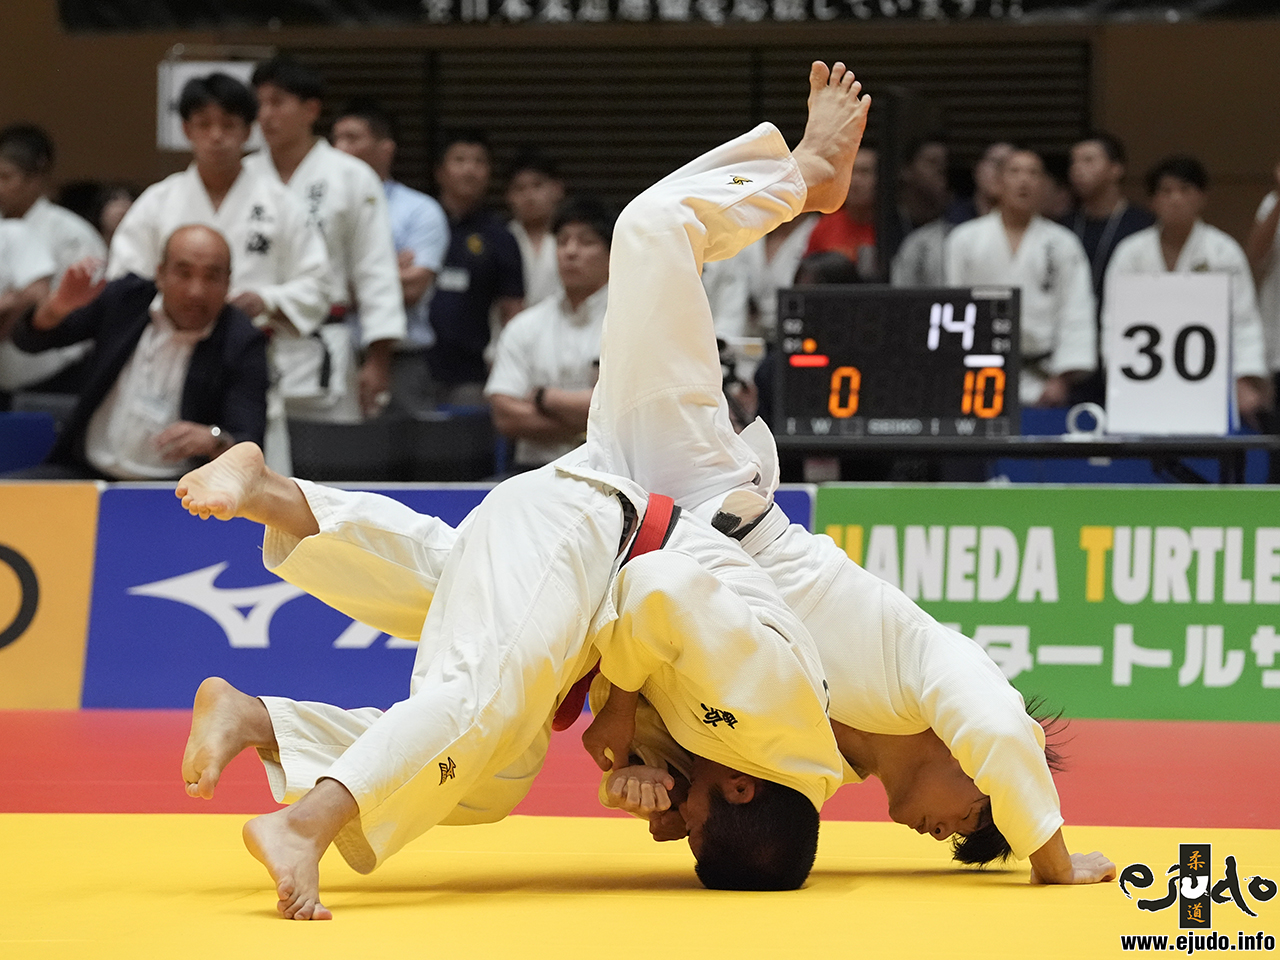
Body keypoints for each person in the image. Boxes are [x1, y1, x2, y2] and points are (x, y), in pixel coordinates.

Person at [106, 72, 329, 474]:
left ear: (248, 131)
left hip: (248, 365)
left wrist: (267, 300)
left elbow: (318, 283)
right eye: (204, 125)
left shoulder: (281, 205)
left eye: (229, 126)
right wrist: (180, 303)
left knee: (253, 489)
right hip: (167, 368)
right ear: (187, 129)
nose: (216, 137)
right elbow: (125, 283)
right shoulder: (160, 202)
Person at [9, 225, 267, 479]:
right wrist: (57, 307)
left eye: (211, 277)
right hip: (84, 472)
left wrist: (215, 439)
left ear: (228, 282)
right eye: (183, 273)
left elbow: (249, 441)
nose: (195, 291)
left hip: (179, 490)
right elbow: (29, 342)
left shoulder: (242, 341)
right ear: (160, 274)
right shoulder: (125, 300)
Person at [246, 57, 406, 423]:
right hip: (250, 344)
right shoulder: (244, 176)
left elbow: (375, 270)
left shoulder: (351, 177)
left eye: (277, 102)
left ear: (311, 109)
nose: (265, 115)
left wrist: (378, 359)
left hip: (325, 342)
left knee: (329, 468)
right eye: (259, 103)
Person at [1104, 155, 1269, 426]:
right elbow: (1113, 322)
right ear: (1153, 201)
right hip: (1142, 376)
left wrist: (1244, 380)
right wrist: (1120, 378)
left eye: (1185, 190)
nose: (1175, 199)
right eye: (1166, 191)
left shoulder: (1222, 251)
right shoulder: (1130, 254)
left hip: (1212, 380)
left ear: (1202, 197)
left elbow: (1243, 320)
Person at [946, 148, 1096, 407]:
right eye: (1014, 172)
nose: (1024, 181)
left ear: (1045, 186)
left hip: (1044, 376)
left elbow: (1076, 310)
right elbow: (955, 307)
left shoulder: (1062, 243)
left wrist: (1063, 377)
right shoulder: (965, 240)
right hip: (978, 373)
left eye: (1033, 173)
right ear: (999, 182)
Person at [331, 98, 450, 418]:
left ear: (386, 149)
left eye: (352, 138)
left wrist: (347, 284)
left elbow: (413, 290)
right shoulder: (319, 210)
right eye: (336, 139)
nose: (339, 149)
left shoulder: (419, 210)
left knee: (409, 459)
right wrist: (383, 275)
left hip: (404, 360)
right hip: (332, 351)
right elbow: (313, 288)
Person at [485, 196, 612, 470]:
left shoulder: (631, 323)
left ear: (613, 254)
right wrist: (588, 427)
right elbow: (505, 415)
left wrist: (545, 399)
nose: (570, 252)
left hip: (610, 475)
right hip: (533, 472)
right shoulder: (525, 325)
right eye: (563, 241)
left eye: (586, 242)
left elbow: (625, 413)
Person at [0, 124, 106, 393]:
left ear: (35, 177)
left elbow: (93, 313)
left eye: (5, 177)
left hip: (61, 377)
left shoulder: (73, 234)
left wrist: (23, 301)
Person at [427, 129, 525, 406]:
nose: (470, 170)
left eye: (479, 162)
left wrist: (508, 370)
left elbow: (513, 312)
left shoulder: (501, 236)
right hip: (413, 365)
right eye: (459, 160)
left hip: (472, 375)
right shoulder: (419, 223)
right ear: (440, 172)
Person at [804, 145, 877, 278]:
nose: (855, 181)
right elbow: (808, 275)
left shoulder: (894, 227)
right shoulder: (824, 225)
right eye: (850, 172)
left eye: (865, 172)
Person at [505, 148, 565, 309]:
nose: (529, 196)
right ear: (509, 196)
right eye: (520, 188)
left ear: (557, 189)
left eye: (537, 185)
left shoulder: (572, 241)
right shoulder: (500, 239)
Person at [946, 141, 1013, 225]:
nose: (1000, 171)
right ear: (977, 168)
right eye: (996, 162)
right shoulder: (951, 218)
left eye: (1010, 167)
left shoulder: (1030, 224)